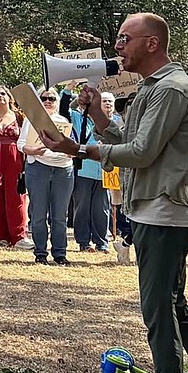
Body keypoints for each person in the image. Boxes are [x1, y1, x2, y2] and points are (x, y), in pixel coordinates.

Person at [41, 12, 188, 373]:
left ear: (152, 43)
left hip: (163, 208)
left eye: (126, 39)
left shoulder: (170, 89)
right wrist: (99, 120)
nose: (118, 47)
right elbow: (131, 142)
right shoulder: (154, 87)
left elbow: (142, 153)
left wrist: (81, 150)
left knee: (157, 306)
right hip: (156, 207)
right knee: (173, 301)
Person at [19, 87, 75, 264]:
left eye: (52, 98)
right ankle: (40, 253)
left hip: (63, 169)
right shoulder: (31, 121)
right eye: (44, 98)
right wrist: (33, 150)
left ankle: (60, 253)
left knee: (60, 215)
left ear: (57, 102)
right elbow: (21, 144)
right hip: (39, 168)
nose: (48, 101)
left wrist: (71, 153)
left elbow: (72, 146)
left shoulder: (64, 121)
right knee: (39, 214)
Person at [0, 85, 29, 249]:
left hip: (15, 160)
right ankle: (0, 235)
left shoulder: (19, 116)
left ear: (10, 97)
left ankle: (19, 236)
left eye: (3, 93)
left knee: (16, 196)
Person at [69, 86, 111, 253]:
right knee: (82, 208)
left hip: (104, 171)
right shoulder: (79, 118)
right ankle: (84, 242)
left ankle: (102, 242)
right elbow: (67, 108)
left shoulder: (110, 122)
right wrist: (70, 91)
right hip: (84, 170)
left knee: (102, 209)